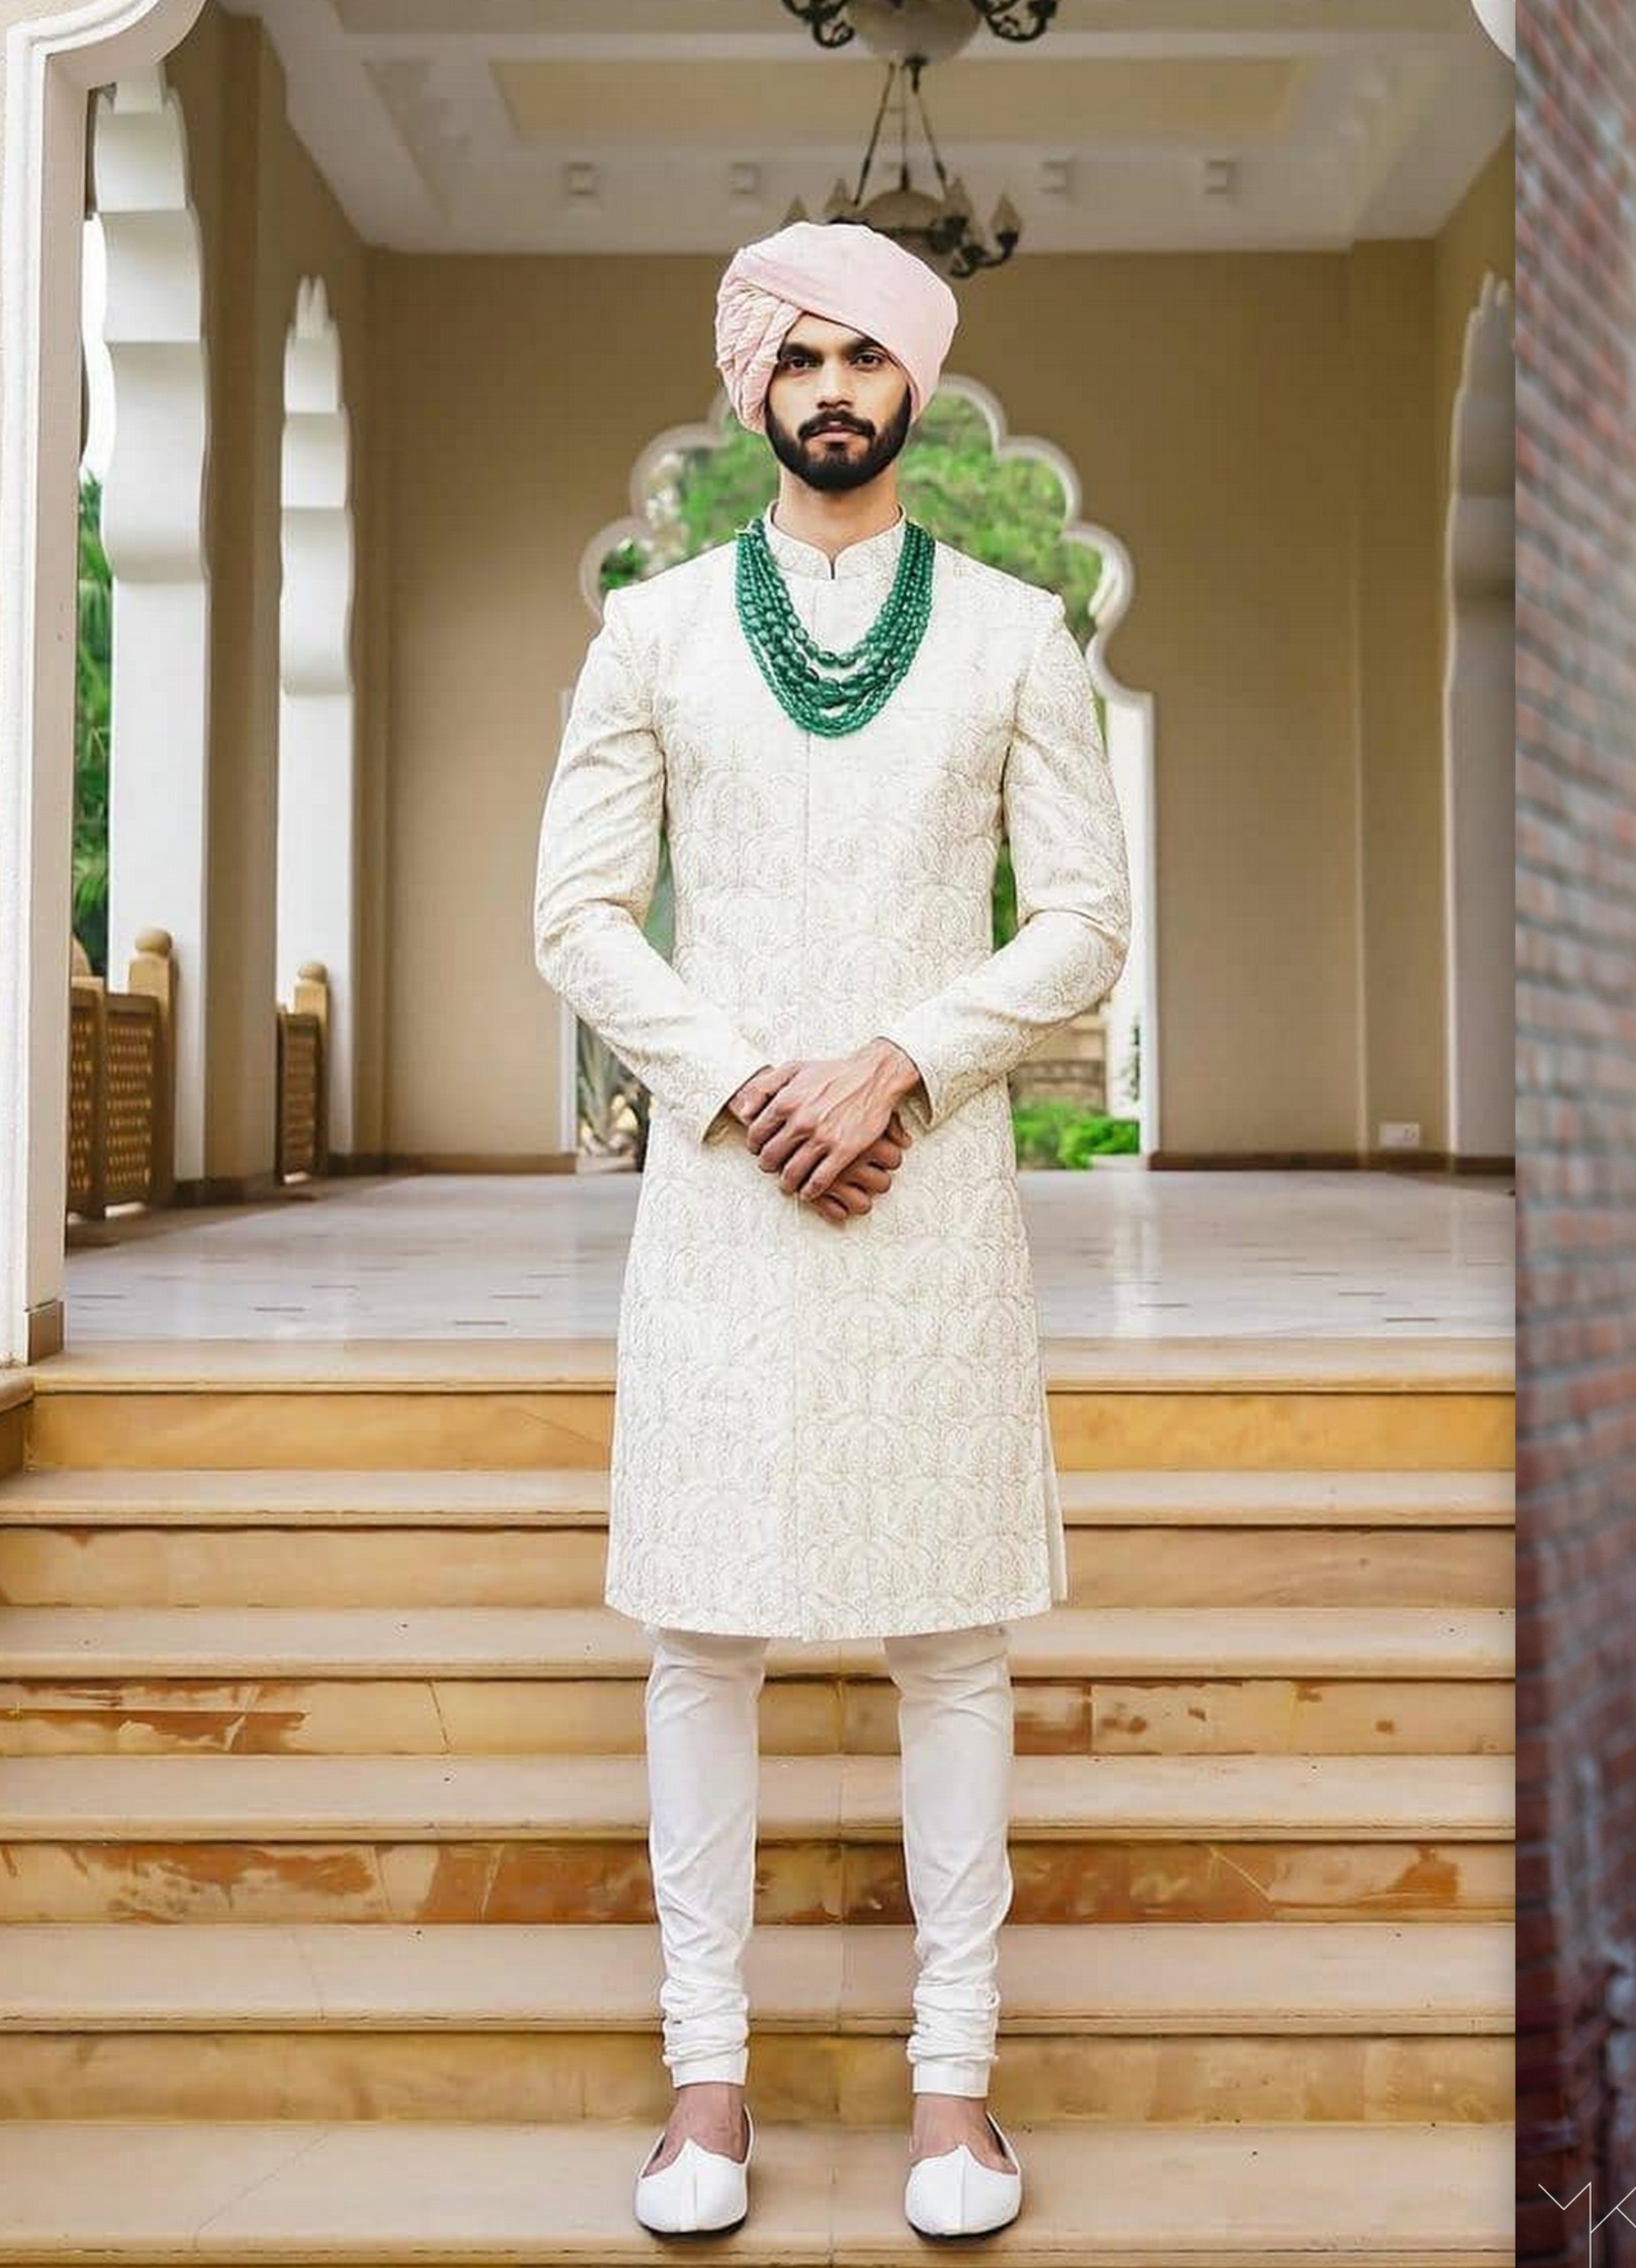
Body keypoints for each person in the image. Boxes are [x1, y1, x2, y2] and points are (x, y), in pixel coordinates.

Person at [530, 216, 1131, 2243]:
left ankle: (952, 2097)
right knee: (702, 1636)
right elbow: (579, 912)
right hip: (722, 1191)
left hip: (928, 1182)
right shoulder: (656, 629)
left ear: (921, 385)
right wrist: (739, 1080)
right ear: (750, 387)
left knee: (954, 1640)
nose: (834, 390)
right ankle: (708, 2096)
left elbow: (1082, 922)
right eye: (800, 357)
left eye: (868, 356)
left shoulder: (1017, 634)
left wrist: (895, 1060)